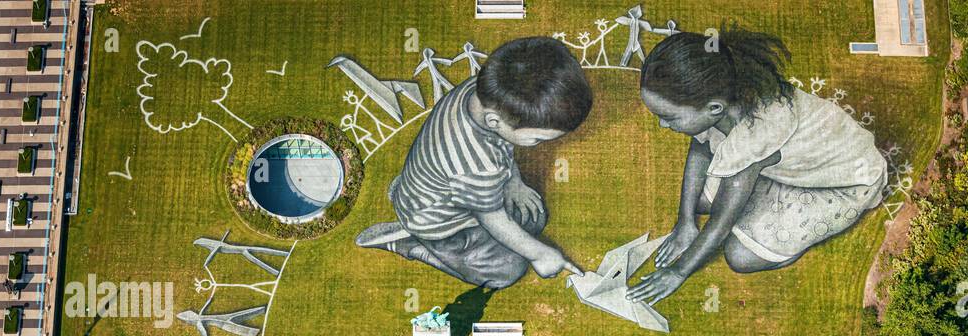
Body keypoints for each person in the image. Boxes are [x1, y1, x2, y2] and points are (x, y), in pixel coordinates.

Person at [629, 26, 887, 306]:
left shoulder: (753, 138)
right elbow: (700, 148)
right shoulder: (722, 99)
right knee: (703, 200)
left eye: (669, 117)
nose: (662, 125)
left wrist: (677, 272)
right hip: (787, 165)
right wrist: (686, 222)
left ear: (714, 108)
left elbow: (720, 223)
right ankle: (768, 194)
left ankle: (787, 244)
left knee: (739, 256)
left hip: (845, 185)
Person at [356, 36, 592, 289]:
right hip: (441, 223)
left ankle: (409, 201)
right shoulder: (478, 164)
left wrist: (515, 181)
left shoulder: (482, 93)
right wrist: (540, 255)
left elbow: (502, 145)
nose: (541, 145)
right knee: (508, 270)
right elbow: (493, 219)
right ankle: (413, 245)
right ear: (493, 122)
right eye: (537, 139)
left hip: (443, 187)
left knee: (533, 217)